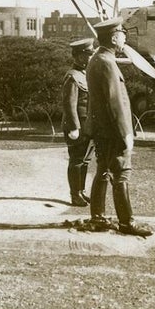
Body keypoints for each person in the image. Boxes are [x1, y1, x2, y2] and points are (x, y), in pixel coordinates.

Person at [85, 18, 151, 237]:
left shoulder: (97, 58)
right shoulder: (107, 62)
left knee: (102, 171)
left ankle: (98, 217)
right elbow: (116, 102)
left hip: (101, 129)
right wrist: (126, 132)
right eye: (122, 33)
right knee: (121, 173)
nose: (125, 36)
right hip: (113, 130)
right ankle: (126, 223)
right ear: (114, 37)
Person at [62, 38, 95, 206]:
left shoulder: (84, 74)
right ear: (80, 57)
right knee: (76, 160)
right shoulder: (73, 77)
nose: (91, 57)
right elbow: (69, 104)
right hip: (77, 126)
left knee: (85, 160)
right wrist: (74, 127)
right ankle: (75, 194)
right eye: (89, 54)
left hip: (87, 125)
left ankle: (81, 191)